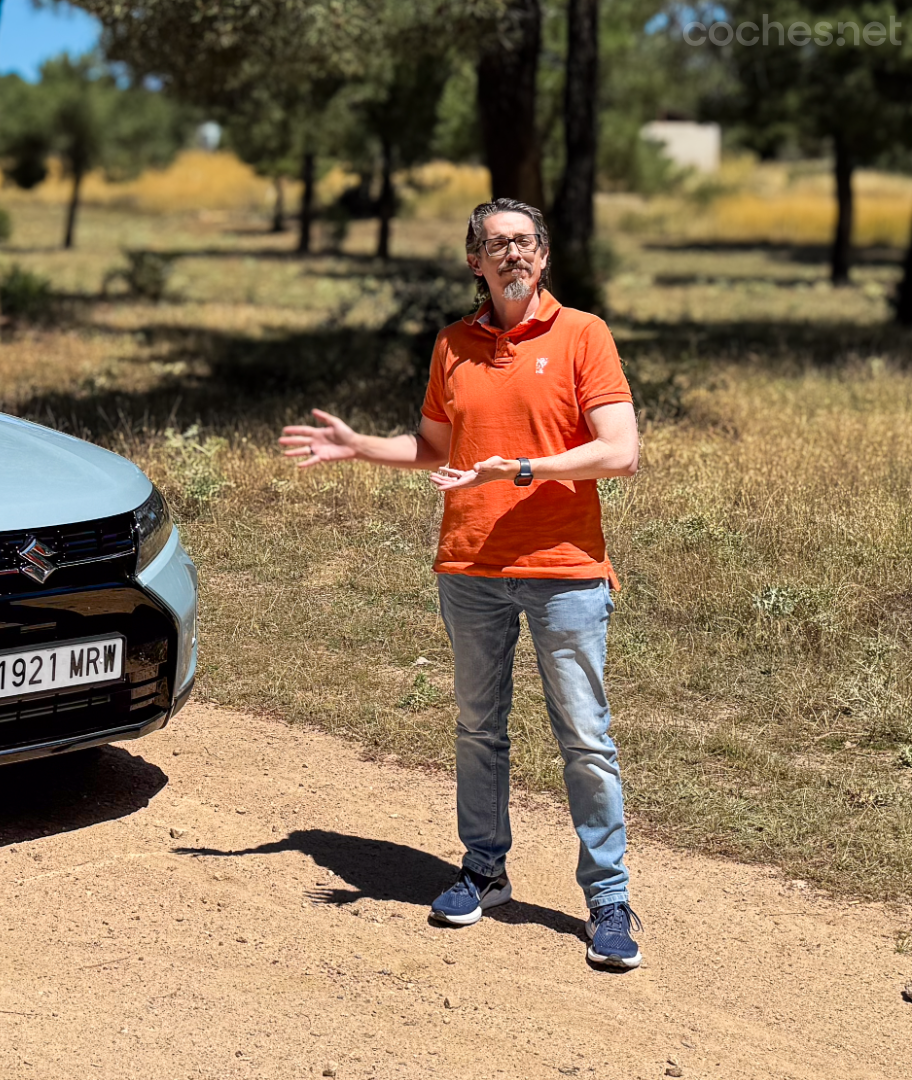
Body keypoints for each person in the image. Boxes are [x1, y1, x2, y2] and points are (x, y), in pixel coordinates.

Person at [277, 198, 644, 969]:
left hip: (564, 571)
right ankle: (484, 870)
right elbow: (433, 446)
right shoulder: (454, 344)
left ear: (544, 255)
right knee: (479, 728)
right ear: (474, 260)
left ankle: (608, 900)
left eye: (525, 241)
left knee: (584, 737)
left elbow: (619, 452)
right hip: (471, 566)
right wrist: (359, 446)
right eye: (496, 243)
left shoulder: (584, 334)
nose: (513, 254)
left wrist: (522, 468)